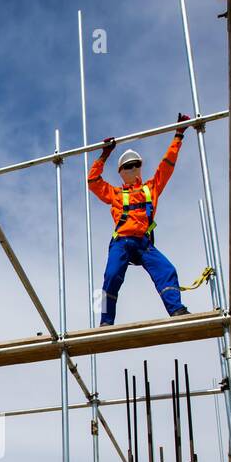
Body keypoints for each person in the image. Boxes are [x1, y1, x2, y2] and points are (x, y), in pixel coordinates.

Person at [87, 115, 196, 326]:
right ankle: (105, 321)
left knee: (167, 270)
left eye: (136, 165)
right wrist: (104, 155)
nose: (132, 169)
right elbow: (93, 181)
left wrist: (179, 135)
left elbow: (167, 165)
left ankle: (177, 310)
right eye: (128, 166)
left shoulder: (150, 189)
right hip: (122, 242)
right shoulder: (115, 193)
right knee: (111, 277)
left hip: (143, 244)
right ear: (120, 172)